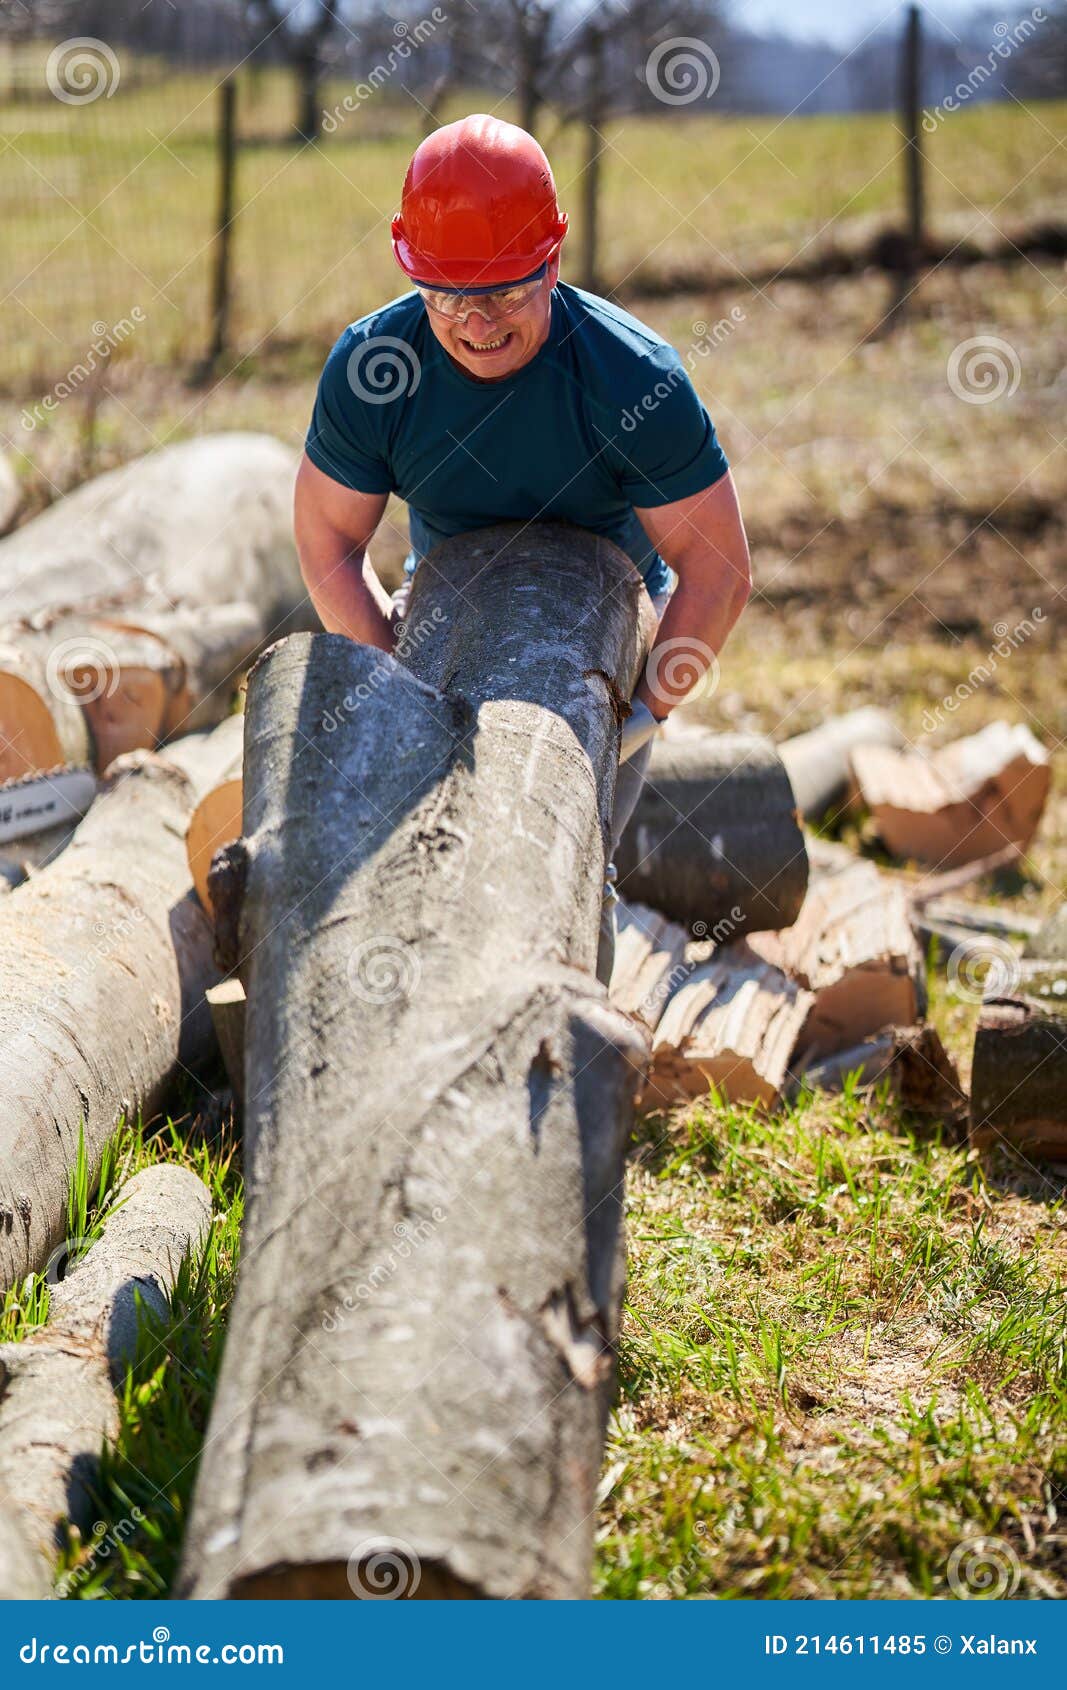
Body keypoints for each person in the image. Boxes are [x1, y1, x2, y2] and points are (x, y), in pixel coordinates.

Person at [295, 112, 751, 978]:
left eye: (504, 291)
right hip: (446, 604)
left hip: (604, 630)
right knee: (421, 860)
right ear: (409, 271)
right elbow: (325, 538)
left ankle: (572, 1071)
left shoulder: (631, 378)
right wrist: (384, 665)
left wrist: (644, 711)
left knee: (570, 876)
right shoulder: (374, 369)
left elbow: (719, 572)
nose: (476, 322)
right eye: (447, 295)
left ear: (552, 259)